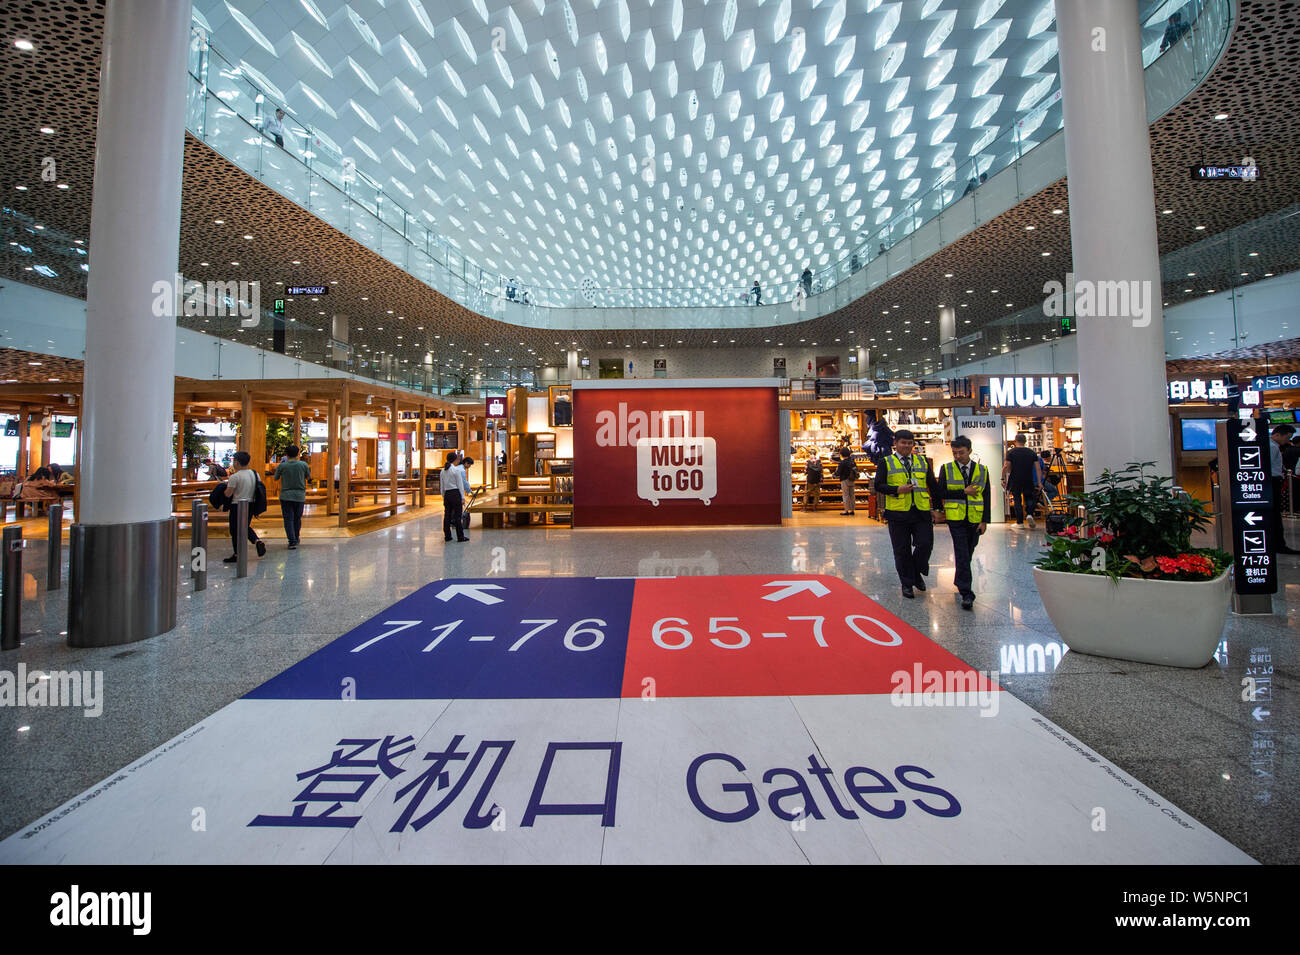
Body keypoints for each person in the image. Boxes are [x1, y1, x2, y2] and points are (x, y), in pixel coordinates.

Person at [874, 429, 942, 598]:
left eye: (909, 443)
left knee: (925, 544)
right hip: (898, 513)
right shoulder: (886, 462)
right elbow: (878, 485)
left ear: (913, 445)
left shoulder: (923, 461)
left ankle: (916, 571)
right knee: (902, 550)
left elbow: (933, 486)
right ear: (895, 444)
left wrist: (938, 509)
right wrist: (897, 489)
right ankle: (907, 583)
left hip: (921, 511)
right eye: (903, 442)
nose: (906, 446)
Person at [940, 437, 990, 610]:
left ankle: (959, 579)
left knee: (968, 551)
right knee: (961, 552)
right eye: (954, 453)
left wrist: (985, 520)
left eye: (961, 452)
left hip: (975, 519)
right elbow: (941, 492)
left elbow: (987, 495)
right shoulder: (946, 469)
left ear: (969, 450)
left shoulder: (982, 470)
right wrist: (963, 492)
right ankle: (967, 593)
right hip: (956, 518)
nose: (958, 456)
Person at [222, 450, 265, 562]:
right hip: (251, 504)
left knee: (235, 530)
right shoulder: (255, 474)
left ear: (236, 462)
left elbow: (228, 493)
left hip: (237, 505)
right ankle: (257, 541)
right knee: (244, 526)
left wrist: (222, 489)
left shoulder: (235, 477)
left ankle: (237, 553)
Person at [274, 445, 310, 550]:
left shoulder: (282, 466)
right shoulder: (303, 465)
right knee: (297, 518)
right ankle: (296, 537)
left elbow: (276, 478)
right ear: (298, 454)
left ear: (286, 454)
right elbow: (308, 477)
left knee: (288, 519)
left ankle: (292, 541)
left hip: (286, 495)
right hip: (299, 496)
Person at [1269, 425, 1298, 553]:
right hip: (1272, 481)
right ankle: (1279, 545)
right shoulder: (1272, 447)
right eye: (1287, 437)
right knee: (1275, 514)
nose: (1288, 441)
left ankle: (1278, 544)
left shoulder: (1274, 446)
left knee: (1276, 514)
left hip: (1274, 481)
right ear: (1278, 435)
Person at [1004, 434, 1041, 528]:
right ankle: (1029, 514)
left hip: (1015, 479)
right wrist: (1040, 482)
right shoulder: (1032, 452)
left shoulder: (1011, 452)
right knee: (1029, 497)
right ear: (1025, 441)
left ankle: (1019, 522)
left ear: (1015, 440)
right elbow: (1038, 468)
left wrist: (1003, 477)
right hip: (1028, 478)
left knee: (1017, 499)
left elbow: (1006, 466)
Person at [442, 452, 468, 543]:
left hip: (447, 494)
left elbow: (442, 486)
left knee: (447, 516)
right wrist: (462, 497)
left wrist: (443, 496)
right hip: (455, 494)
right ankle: (460, 537)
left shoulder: (443, 471)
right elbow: (460, 485)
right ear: (455, 460)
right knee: (458, 516)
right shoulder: (456, 470)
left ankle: (447, 536)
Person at [835, 446, 858, 515]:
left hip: (845, 479)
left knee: (845, 495)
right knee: (852, 494)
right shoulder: (852, 461)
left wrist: (835, 473)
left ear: (842, 454)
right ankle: (852, 510)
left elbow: (838, 472)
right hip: (852, 479)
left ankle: (846, 510)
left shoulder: (842, 462)